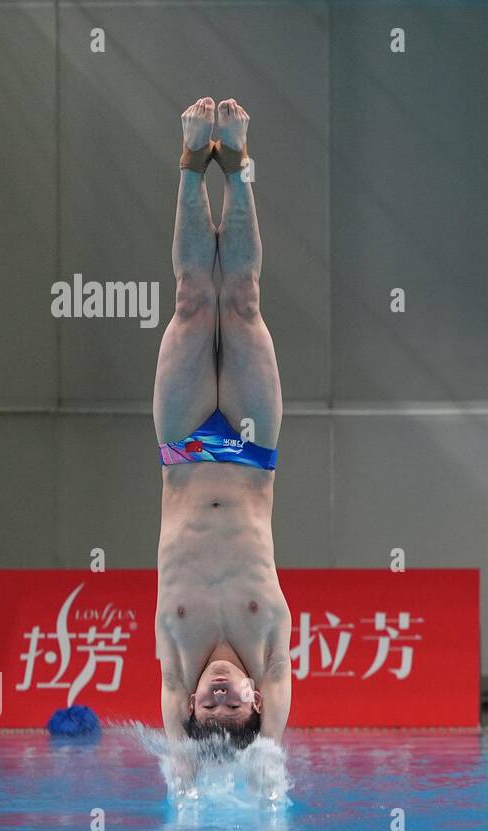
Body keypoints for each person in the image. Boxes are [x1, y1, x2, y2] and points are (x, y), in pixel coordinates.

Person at [154, 97, 291, 749]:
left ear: (188, 707)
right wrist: (265, 772)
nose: (216, 700)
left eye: (206, 712)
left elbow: (179, 749)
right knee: (240, 300)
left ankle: (190, 160)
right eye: (232, 709)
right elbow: (270, 749)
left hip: (183, 449)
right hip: (251, 450)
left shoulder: (177, 660)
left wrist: (183, 775)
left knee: (190, 299)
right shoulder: (268, 646)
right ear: (257, 697)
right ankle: (235, 163)